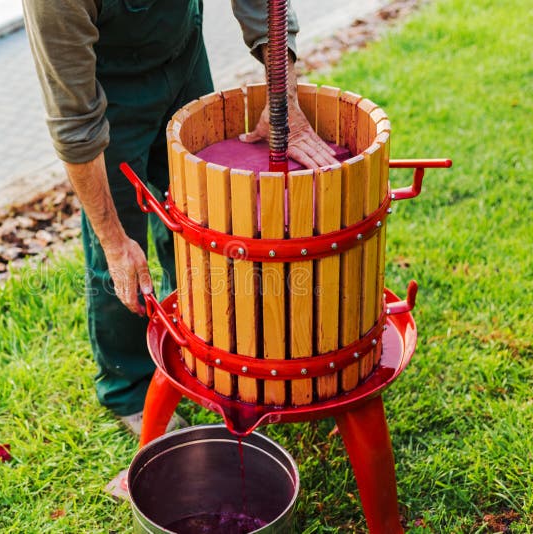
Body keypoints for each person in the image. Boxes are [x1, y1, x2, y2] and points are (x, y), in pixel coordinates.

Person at [21, 0, 338, 435]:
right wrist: (114, 242)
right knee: (119, 255)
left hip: (183, 56)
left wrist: (281, 94)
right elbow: (75, 127)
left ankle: (206, 350)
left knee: (200, 217)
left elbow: (264, 4)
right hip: (108, 89)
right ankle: (129, 388)